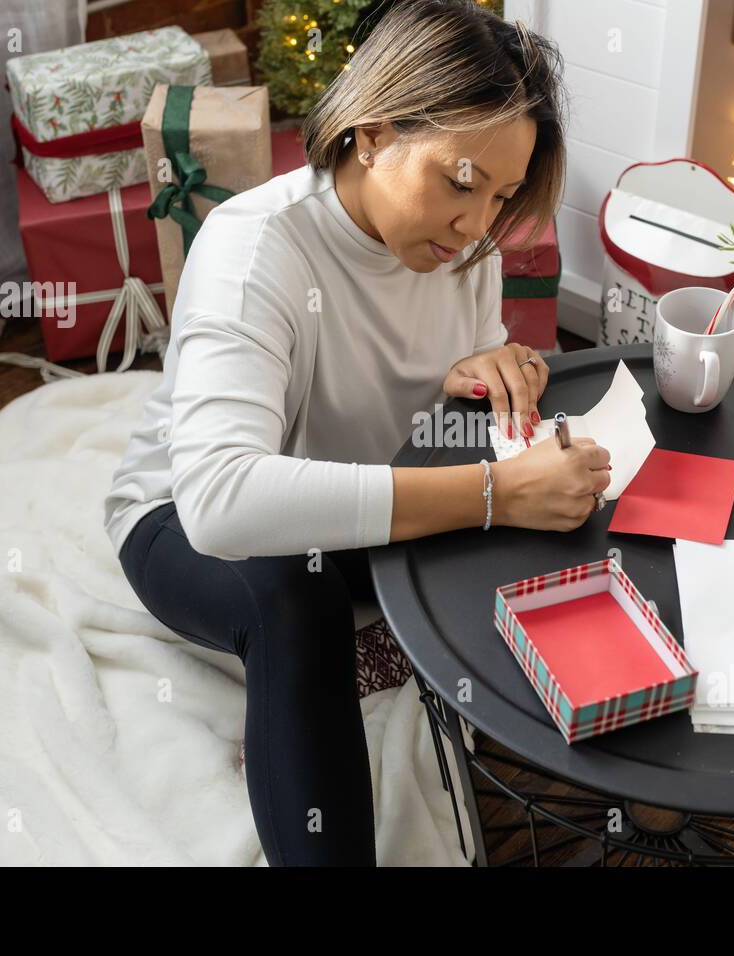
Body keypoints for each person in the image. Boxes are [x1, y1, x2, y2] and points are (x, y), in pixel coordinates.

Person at [103, 0, 610, 866]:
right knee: (294, 597)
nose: (476, 226)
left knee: (549, 507)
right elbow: (222, 502)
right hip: (181, 522)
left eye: (499, 196)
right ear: (370, 133)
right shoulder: (256, 249)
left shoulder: (460, 249)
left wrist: (483, 367)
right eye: (460, 181)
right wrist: (491, 493)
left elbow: (434, 373)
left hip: (359, 490)